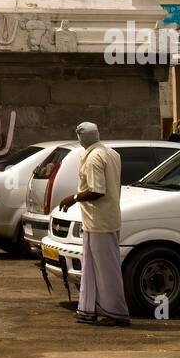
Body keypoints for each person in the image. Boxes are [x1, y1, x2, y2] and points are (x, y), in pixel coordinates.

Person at [59, 121, 130, 327]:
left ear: (82, 138)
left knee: (106, 269)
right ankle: (89, 309)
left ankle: (115, 312)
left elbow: (97, 191)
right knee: (91, 267)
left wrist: (73, 198)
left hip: (100, 221)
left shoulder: (94, 158)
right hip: (99, 220)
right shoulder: (111, 153)